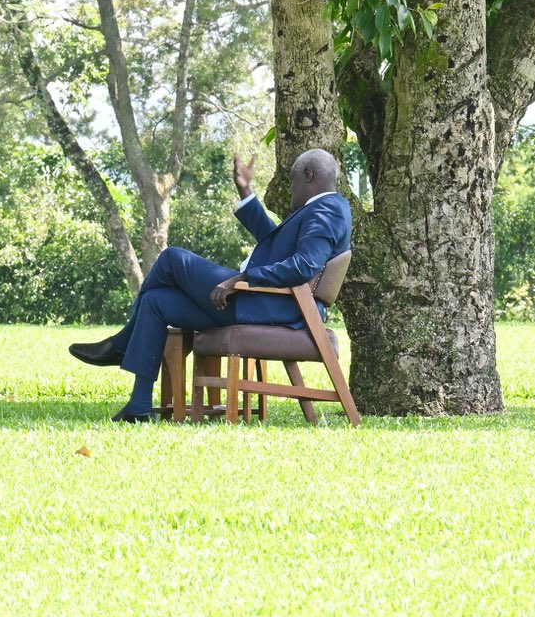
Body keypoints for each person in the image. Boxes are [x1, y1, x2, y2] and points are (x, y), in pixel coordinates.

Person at [70, 148, 352, 421]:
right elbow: (272, 242)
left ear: (308, 174)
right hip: (260, 299)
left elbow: (305, 266)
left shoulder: (327, 209)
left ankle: (121, 343)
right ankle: (138, 407)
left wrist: (242, 278)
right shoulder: (321, 210)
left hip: (265, 302)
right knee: (155, 301)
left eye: (292, 180)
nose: (290, 188)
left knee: (171, 258)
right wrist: (245, 192)